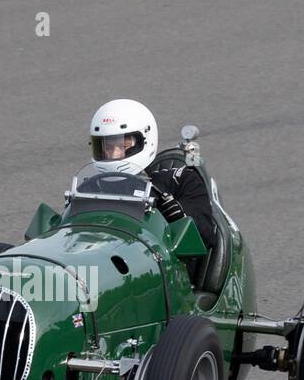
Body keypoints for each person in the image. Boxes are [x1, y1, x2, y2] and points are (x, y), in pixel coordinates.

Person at [87, 98, 218, 263]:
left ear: (145, 140)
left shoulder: (180, 181)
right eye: (107, 147)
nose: (113, 155)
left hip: (164, 270)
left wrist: (180, 218)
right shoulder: (91, 189)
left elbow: (208, 238)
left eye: (123, 145)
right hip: (107, 262)